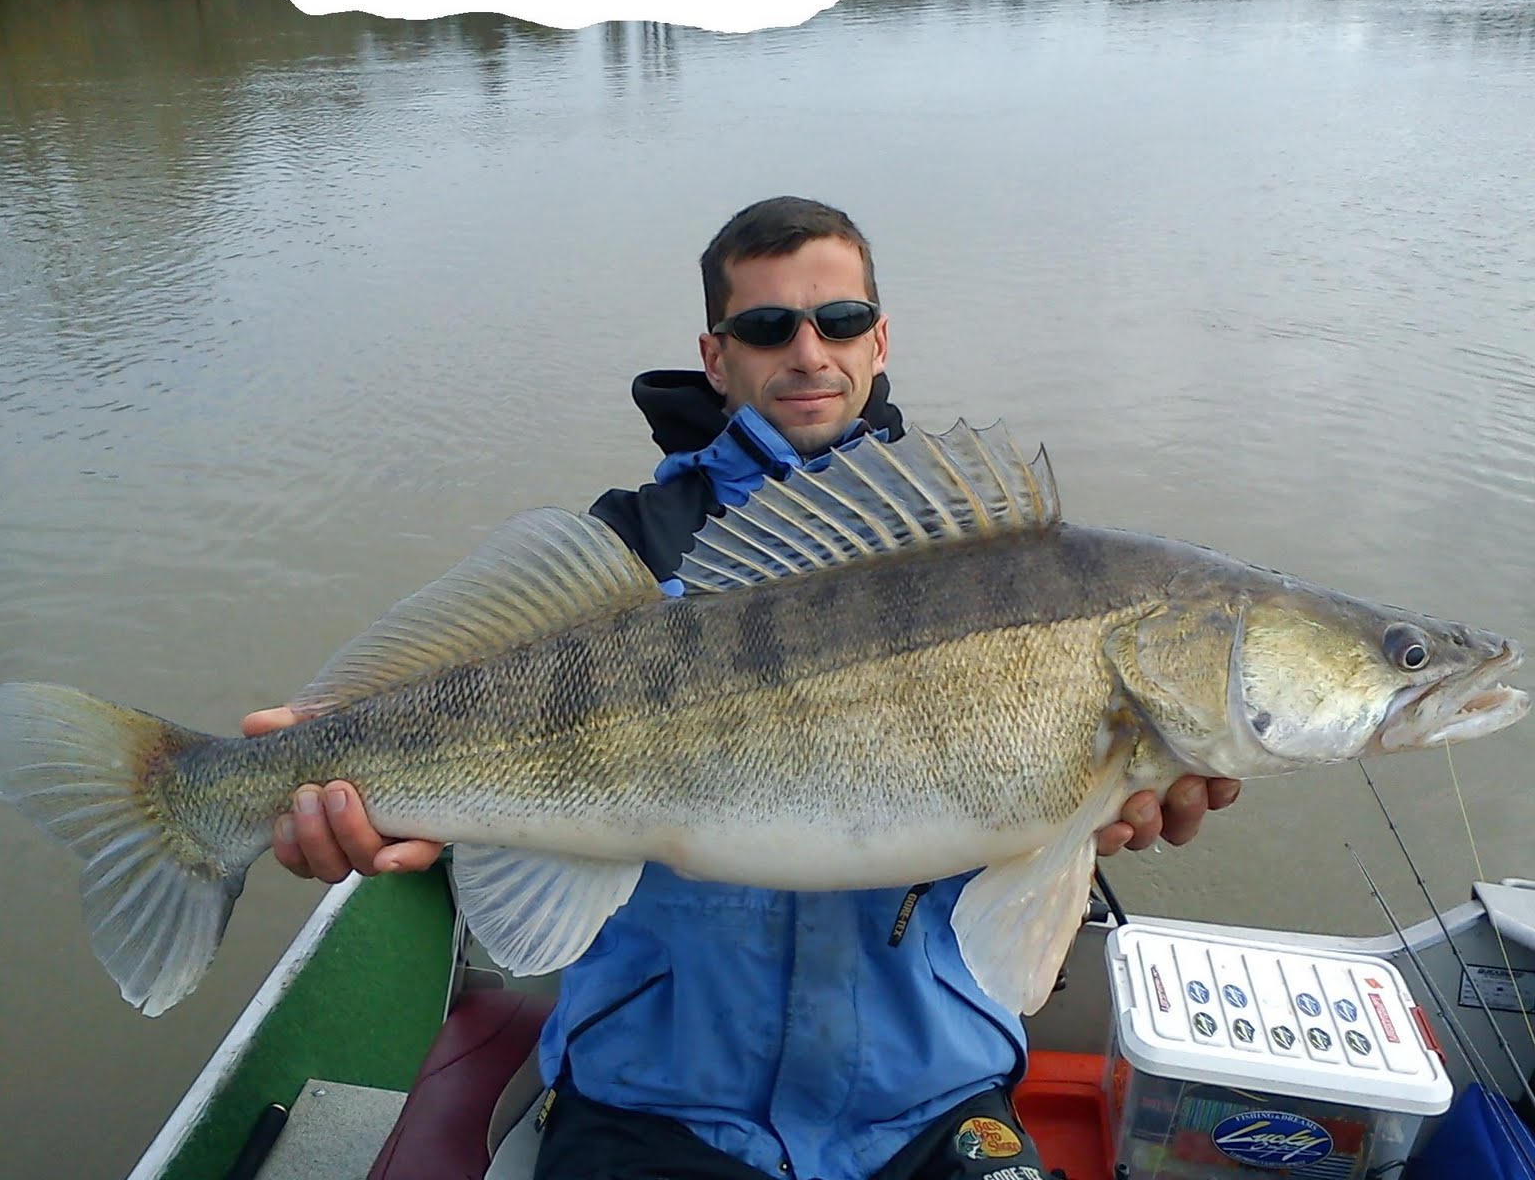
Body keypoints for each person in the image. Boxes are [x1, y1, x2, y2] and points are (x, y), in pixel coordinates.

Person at [244, 197, 1240, 1180]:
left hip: (929, 1090)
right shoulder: (632, 552)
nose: (809, 352)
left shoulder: (989, 559)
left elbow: (1027, 896)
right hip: (654, 1092)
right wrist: (331, 766)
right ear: (715, 358)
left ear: (879, 339)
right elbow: (458, 718)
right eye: (767, 326)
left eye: (840, 320)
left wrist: (1088, 818)